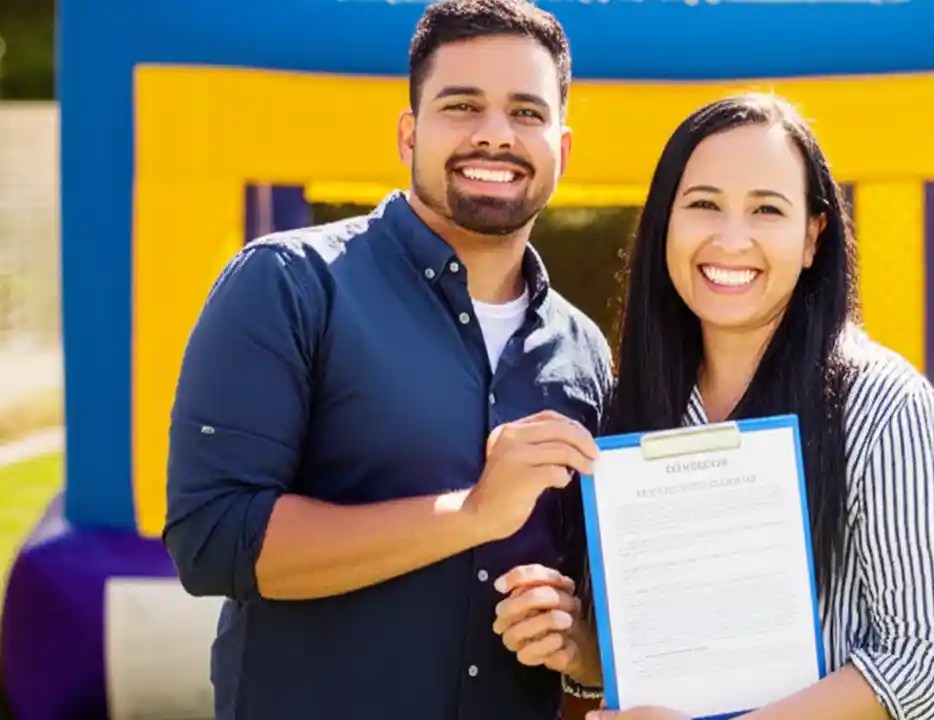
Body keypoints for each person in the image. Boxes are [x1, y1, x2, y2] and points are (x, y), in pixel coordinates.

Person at [161, 1, 611, 717]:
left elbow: (595, 591)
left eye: (526, 113)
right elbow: (213, 539)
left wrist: (578, 641)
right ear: (409, 133)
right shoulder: (288, 285)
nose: (494, 135)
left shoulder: (585, 352)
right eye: (462, 106)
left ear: (563, 146)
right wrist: (470, 514)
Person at [492, 94, 934, 720]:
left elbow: (930, 665)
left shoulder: (886, 409)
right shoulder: (640, 405)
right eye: (702, 205)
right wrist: (583, 648)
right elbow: (675, 656)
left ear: (812, 237)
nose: (730, 238)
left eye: (767, 210)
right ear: (664, 223)